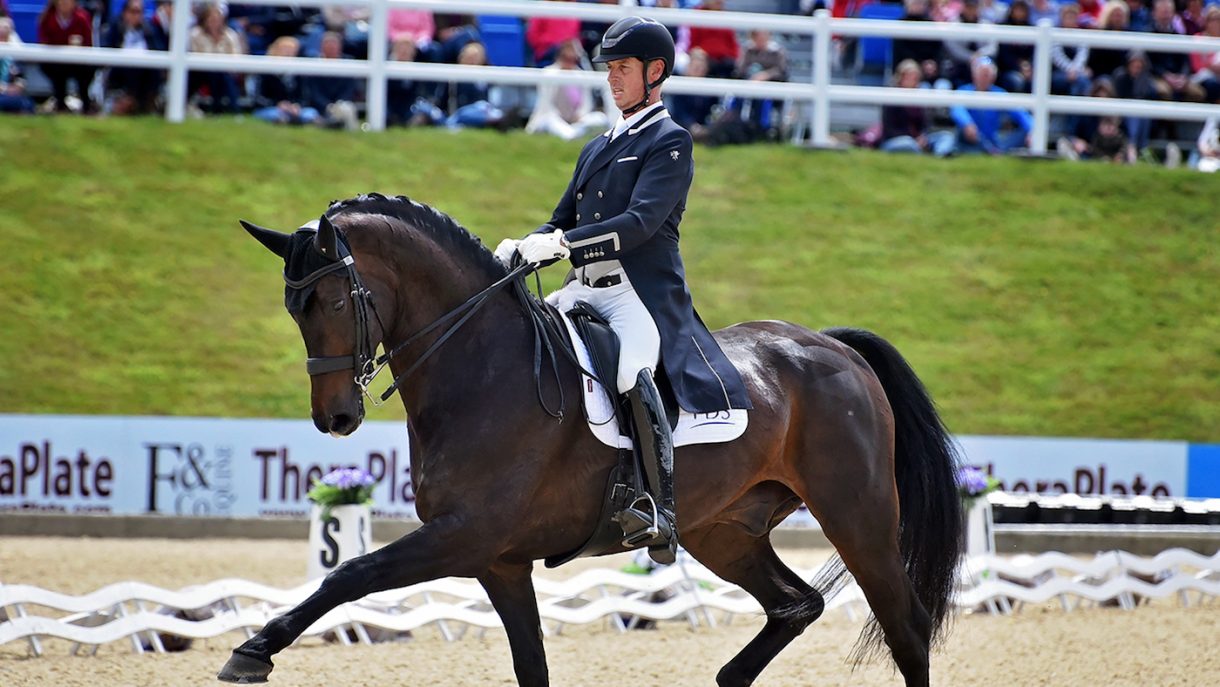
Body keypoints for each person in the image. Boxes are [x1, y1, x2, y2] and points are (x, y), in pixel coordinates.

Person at [494, 17, 752, 566]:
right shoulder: (596, 146)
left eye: (622, 69)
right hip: (582, 290)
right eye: (608, 69)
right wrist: (525, 244)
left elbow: (639, 223)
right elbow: (559, 218)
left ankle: (655, 508)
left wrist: (563, 244)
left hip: (637, 294)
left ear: (654, 72)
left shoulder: (670, 141)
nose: (611, 79)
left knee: (629, 371)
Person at [525, 39, 611, 140]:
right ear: (559, 56)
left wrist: (579, 116)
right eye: (566, 58)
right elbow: (546, 105)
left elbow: (586, 104)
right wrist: (561, 119)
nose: (569, 62)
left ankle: (575, 132)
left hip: (577, 121)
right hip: (551, 118)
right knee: (551, 121)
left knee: (600, 118)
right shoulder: (548, 73)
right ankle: (571, 135)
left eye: (572, 59)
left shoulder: (581, 75)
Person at [946, 56, 1033, 155]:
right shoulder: (964, 91)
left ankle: (994, 151)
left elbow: (1020, 113)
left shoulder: (999, 94)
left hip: (992, 140)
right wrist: (967, 124)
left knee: (1026, 132)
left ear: (993, 77)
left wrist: (1032, 130)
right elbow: (957, 110)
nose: (985, 78)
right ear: (974, 75)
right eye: (982, 74)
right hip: (969, 140)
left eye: (987, 75)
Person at [880, 59, 957, 153]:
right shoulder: (891, 98)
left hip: (919, 140)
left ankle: (941, 154)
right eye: (910, 77)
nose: (914, 81)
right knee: (908, 143)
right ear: (901, 77)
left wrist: (923, 137)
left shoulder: (920, 98)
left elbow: (925, 125)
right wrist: (913, 139)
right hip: (896, 140)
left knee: (946, 136)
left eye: (916, 78)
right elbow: (890, 129)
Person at [103, 0, 164, 115]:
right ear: (125, 12)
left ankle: (146, 103)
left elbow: (159, 50)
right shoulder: (116, 27)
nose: (136, 15)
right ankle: (130, 100)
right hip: (120, 69)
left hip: (145, 70)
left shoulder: (149, 30)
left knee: (152, 70)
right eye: (133, 11)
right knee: (131, 67)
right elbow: (106, 47)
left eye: (139, 12)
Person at [37, 0, 97, 113]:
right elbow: (43, 41)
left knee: (86, 70)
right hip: (54, 61)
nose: (64, 3)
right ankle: (60, 105)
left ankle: (86, 105)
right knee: (56, 71)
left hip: (78, 61)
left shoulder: (82, 18)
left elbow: (88, 43)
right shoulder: (47, 18)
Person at [251, 36, 320, 126]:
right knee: (273, 114)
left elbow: (304, 96)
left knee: (310, 112)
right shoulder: (264, 71)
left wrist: (297, 105)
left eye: (292, 50)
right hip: (271, 108)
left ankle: (310, 121)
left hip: (292, 108)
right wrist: (278, 104)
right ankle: (285, 120)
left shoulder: (298, 73)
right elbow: (258, 97)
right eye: (285, 49)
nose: (288, 53)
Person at [189, 3, 245, 113]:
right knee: (215, 75)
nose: (215, 21)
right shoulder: (196, 34)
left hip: (225, 71)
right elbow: (195, 54)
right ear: (205, 19)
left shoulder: (230, 35)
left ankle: (233, 110)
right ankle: (222, 109)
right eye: (211, 18)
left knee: (223, 76)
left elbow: (236, 55)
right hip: (200, 71)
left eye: (218, 18)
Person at [1147, 0, 1207, 101]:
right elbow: (1149, 62)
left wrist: (1183, 76)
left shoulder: (1178, 36)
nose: (1165, 14)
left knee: (1198, 93)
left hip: (1178, 76)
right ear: (1154, 13)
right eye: (1162, 11)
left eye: (1168, 11)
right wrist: (1165, 75)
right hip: (1158, 76)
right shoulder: (1148, 34)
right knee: (1163, 92)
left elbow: (1185, 60)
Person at [302, 31, 359, 129]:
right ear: (321, 46)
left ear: (340, 46)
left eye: (334, 44)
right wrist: (327, 106)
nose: (331, 47)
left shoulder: (348, 63)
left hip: (341, 103)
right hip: (319, 105)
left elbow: (349, 88)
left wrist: (338, 104)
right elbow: (313, 90)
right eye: (327, 44)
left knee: (347, 108)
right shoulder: (313, 64)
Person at [943, 0, 999, 87]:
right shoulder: (953, 24)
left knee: (987, 66)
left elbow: (992, 47)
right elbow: (953, 48)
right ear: (963, 7)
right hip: (960, 63)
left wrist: (979, 55)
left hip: (983, 61)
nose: (971, 10)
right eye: (968, 7)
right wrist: (970, 57)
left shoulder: (986, 25)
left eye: (973, 7)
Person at [688, 0, 739, 78]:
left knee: (729, 65)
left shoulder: (726, 17)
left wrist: (732, 56)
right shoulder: (697, 15)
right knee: (700, 63)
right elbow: (693, 43)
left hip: (724, 60)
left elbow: (733, 44)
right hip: (705, 57)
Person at [1050, 3, 1092, 96]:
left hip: (1078, 71)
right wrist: (1069, 70)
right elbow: (1057, 56)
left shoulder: (1081, 35)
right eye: (1067, 18)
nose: (1070, 20)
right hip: (1059, 71)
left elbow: (1082, 54)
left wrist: (1075, 70)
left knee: (1082, 81)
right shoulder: (1055, 34)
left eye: (1072, 18)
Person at [997, 0, 1036, 93]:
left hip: (1028, 69)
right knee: (1016, 80)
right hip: (1007, 70)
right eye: (1017, 10)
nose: (1020, 13)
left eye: (1022, 10)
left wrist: (1028, 67)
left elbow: (1034, 53)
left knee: (1038, 80)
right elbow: (1003, 55)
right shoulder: (1003, 27)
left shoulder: (1032, 29)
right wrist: (1019, 67)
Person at [0, 16, 34, 113]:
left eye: (5, 34)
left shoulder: (16, 57)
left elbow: (21, 81)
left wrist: (16, 87)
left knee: (28, 104)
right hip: (3, 93)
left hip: (11, 95)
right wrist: (4, 88)